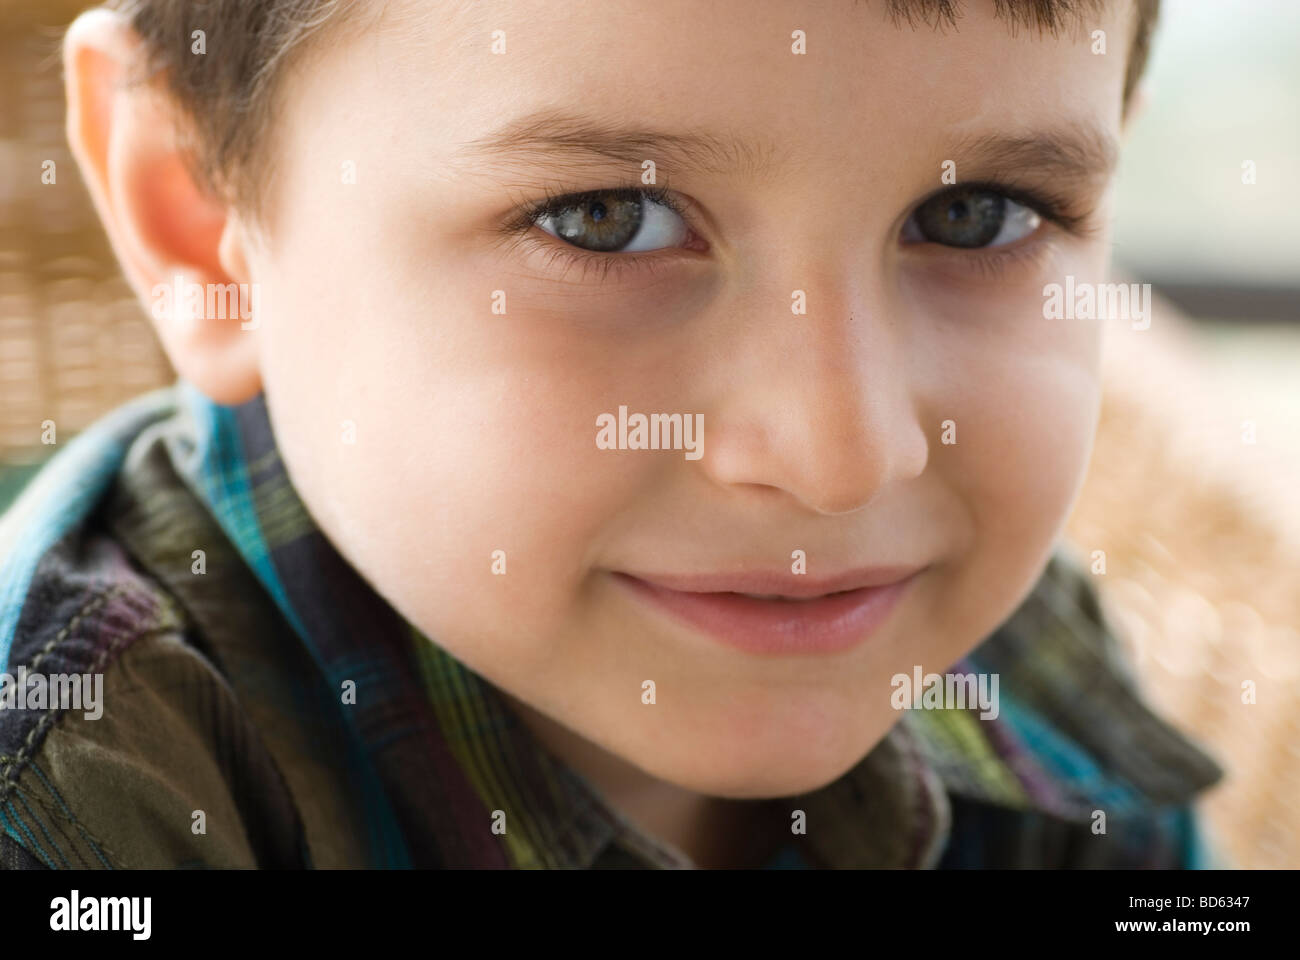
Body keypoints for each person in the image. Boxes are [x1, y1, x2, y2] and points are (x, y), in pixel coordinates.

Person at [0, 0, 1223, 869]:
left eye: (974, 215)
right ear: (203, 225)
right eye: (607, 219)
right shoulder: (85, 799)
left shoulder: (1030, 674)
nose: (841, 459)